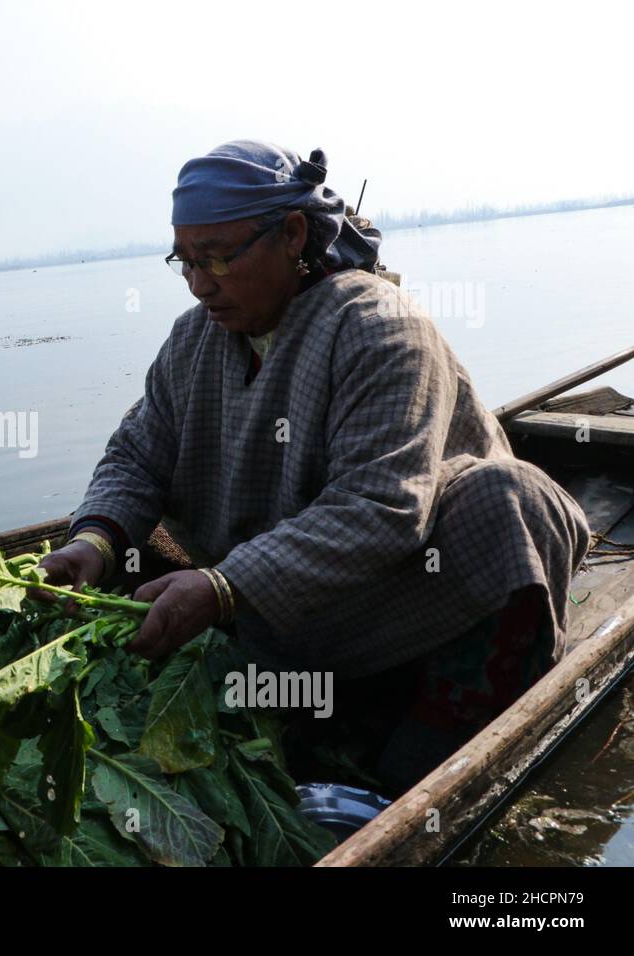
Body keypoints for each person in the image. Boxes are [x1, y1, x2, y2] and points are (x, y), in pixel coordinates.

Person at [35, 140, 591, 793]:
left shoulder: (378, 327)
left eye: (218, 256)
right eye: (184, 261)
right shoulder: (195, 340)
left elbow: (381, 508)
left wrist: (221, 587)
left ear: (292, 234)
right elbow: (137, 451)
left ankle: (431, 747)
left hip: (416, 590)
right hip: (284, 614)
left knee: (507, 496)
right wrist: (94, 541)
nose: (199, 283)